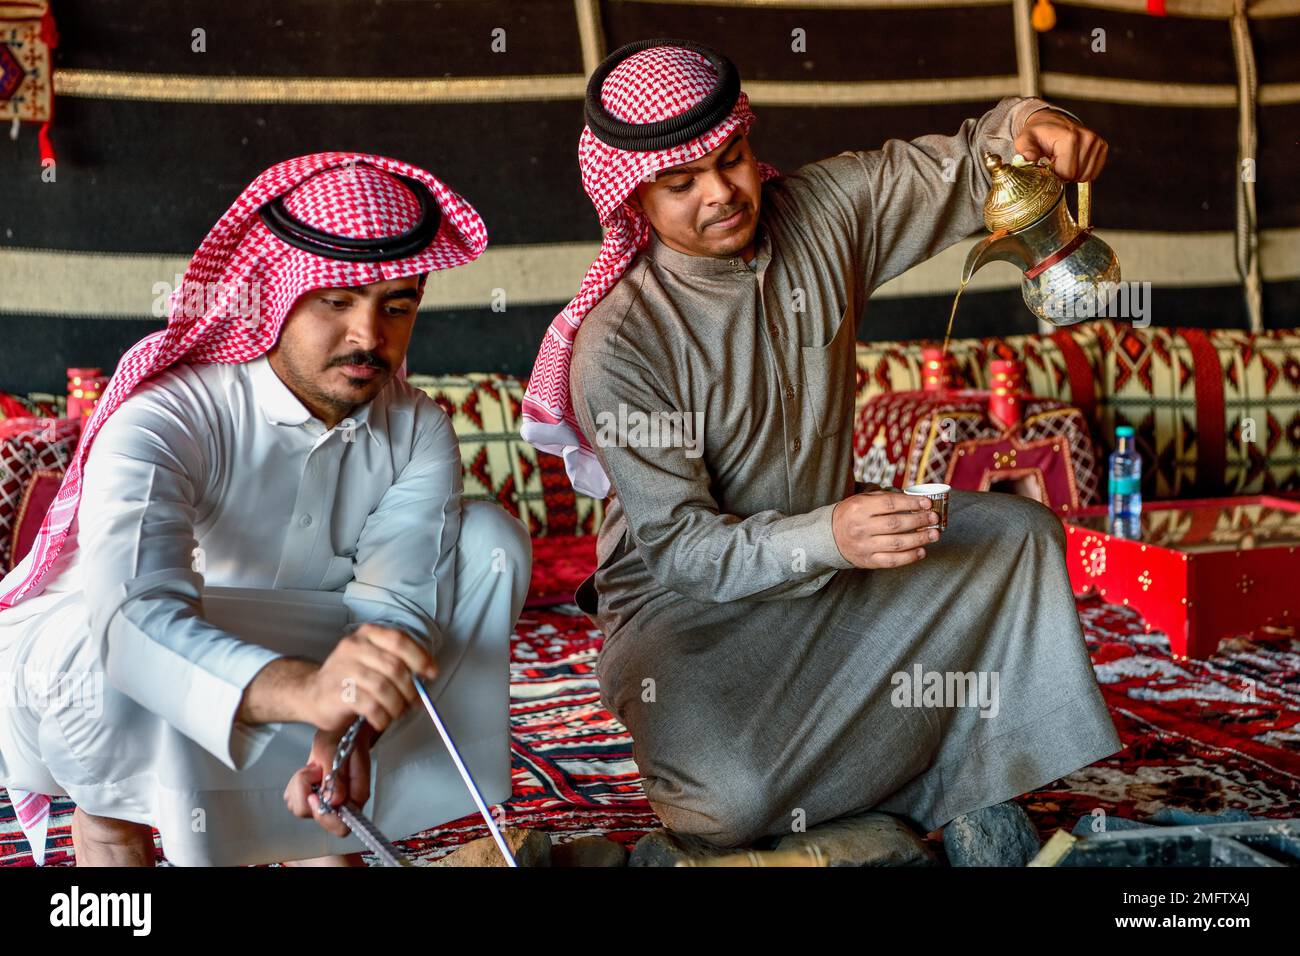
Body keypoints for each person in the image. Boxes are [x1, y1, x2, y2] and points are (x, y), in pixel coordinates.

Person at [521, 39, 1122, 861]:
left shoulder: (822, 214)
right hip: (690, 617)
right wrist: (829, 537)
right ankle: (914, 791)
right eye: (680, 182)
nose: (723, 193)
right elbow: (683, 552)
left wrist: (1034, 123)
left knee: (1020, 537)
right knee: (723, 805)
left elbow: (962, 163)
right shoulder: (621, 344)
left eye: (731, 159)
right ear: (634, 199)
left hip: (834, 569)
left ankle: (972, 782)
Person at [0, 153, 531, 866]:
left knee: (490, 541)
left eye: (397, 306)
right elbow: (134, 622)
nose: (370, 336)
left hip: (308, 655)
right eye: (336, 301)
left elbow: (397, 609)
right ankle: (111, 826)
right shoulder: (169, 413)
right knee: (98, 656)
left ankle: (310, 817)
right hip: (116, 663)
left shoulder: (418, 429)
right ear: (276, 294)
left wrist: (344, 730)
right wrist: (311, 690)